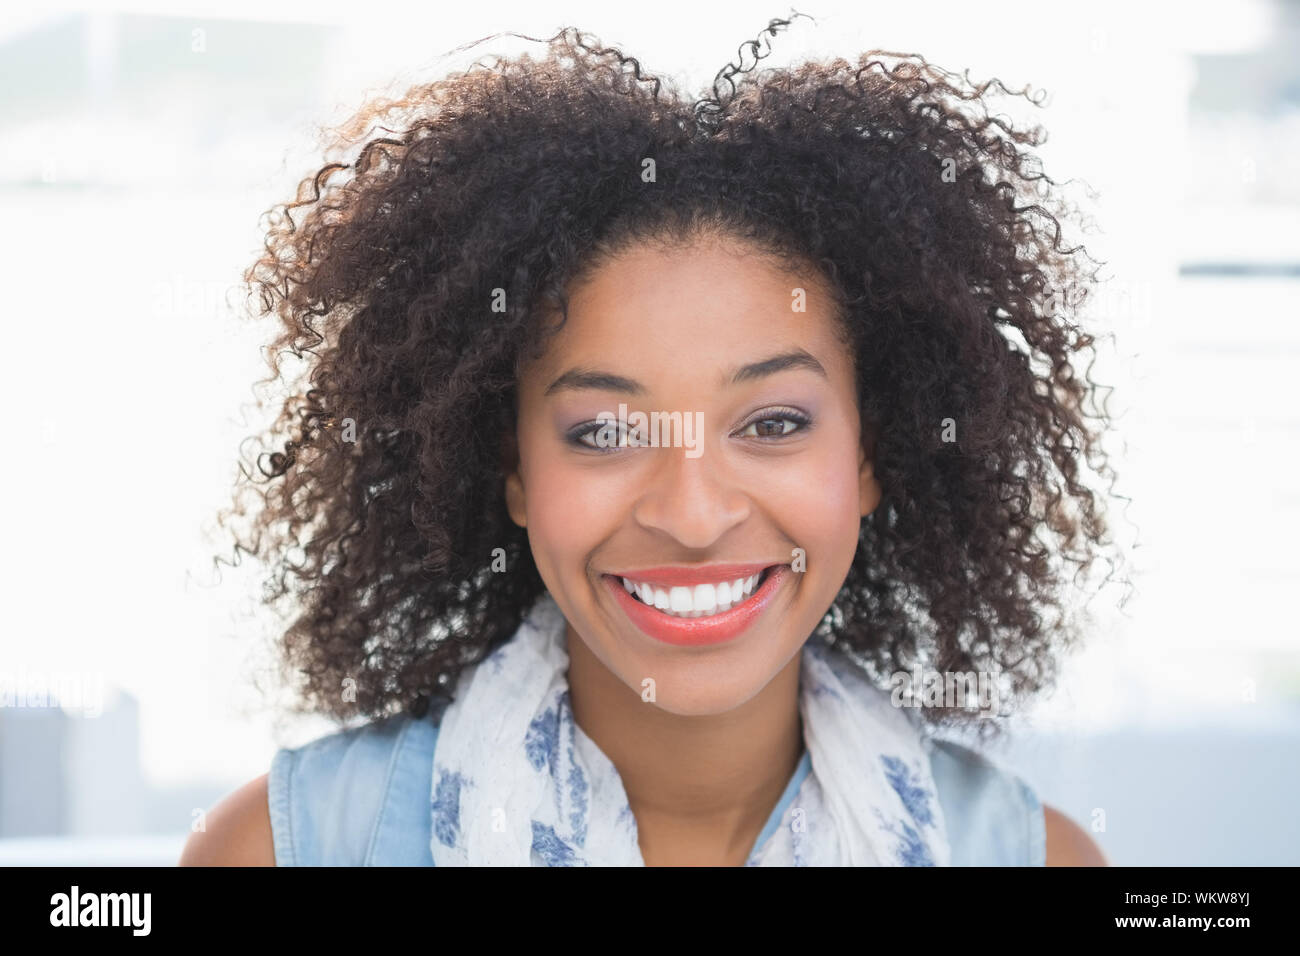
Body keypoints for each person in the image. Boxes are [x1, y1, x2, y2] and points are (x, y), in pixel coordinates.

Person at [182, 18, 1119, 866]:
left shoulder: (1037, 860)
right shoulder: (281, 851)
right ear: (512, 470)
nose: (694, 514)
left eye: (774, 424)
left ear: (871, 457)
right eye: (604, 433)